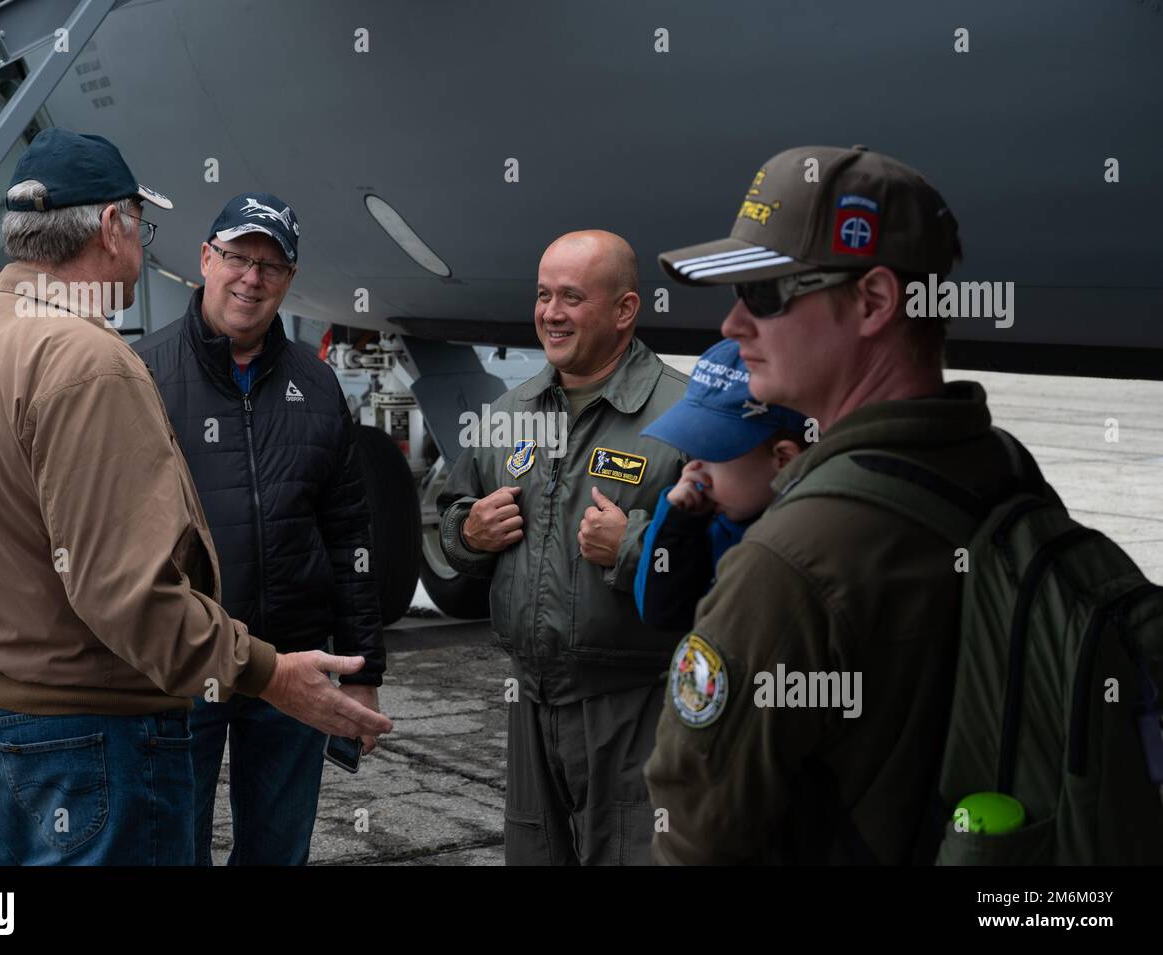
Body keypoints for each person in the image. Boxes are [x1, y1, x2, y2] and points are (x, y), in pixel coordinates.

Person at [0, 129, 390, 866]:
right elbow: (124, 593)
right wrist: (267, 672)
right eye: (141, 225)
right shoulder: (90, 360)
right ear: (110, 227)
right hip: (85, 739)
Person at [644, 144, 1028, 864]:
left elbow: (695, 836)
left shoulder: (790, 560)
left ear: (874, 301)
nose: (732, 325)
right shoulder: (1003, 467)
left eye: (762, 294)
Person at [135, 192, 386, 866]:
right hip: (182, 664)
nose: (252, 278)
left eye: (271, 267)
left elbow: (349, 532)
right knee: (171, 847)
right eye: (239, 257)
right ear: (205, 259)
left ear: (290, 281)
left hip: (293, 663)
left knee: (277, 851)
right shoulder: (142, 375)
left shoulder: (318, 384)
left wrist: (364, 668)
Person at [437, 230, 688, 865]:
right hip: (531, 702)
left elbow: (734, 566)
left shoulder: (684, 417)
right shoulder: (511, 411)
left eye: (572, 297)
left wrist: (633, 545)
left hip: (635, 705)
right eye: (544, 295)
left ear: (624, 310)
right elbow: (451, 518)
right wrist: (468, 534)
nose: (551, 312)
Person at [633, 338, 806, 631]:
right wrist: (678, 527)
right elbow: (663, 616)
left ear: (784, 460)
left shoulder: (812, 545)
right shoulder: (715, 524)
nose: (693, 468)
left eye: (712, 451)